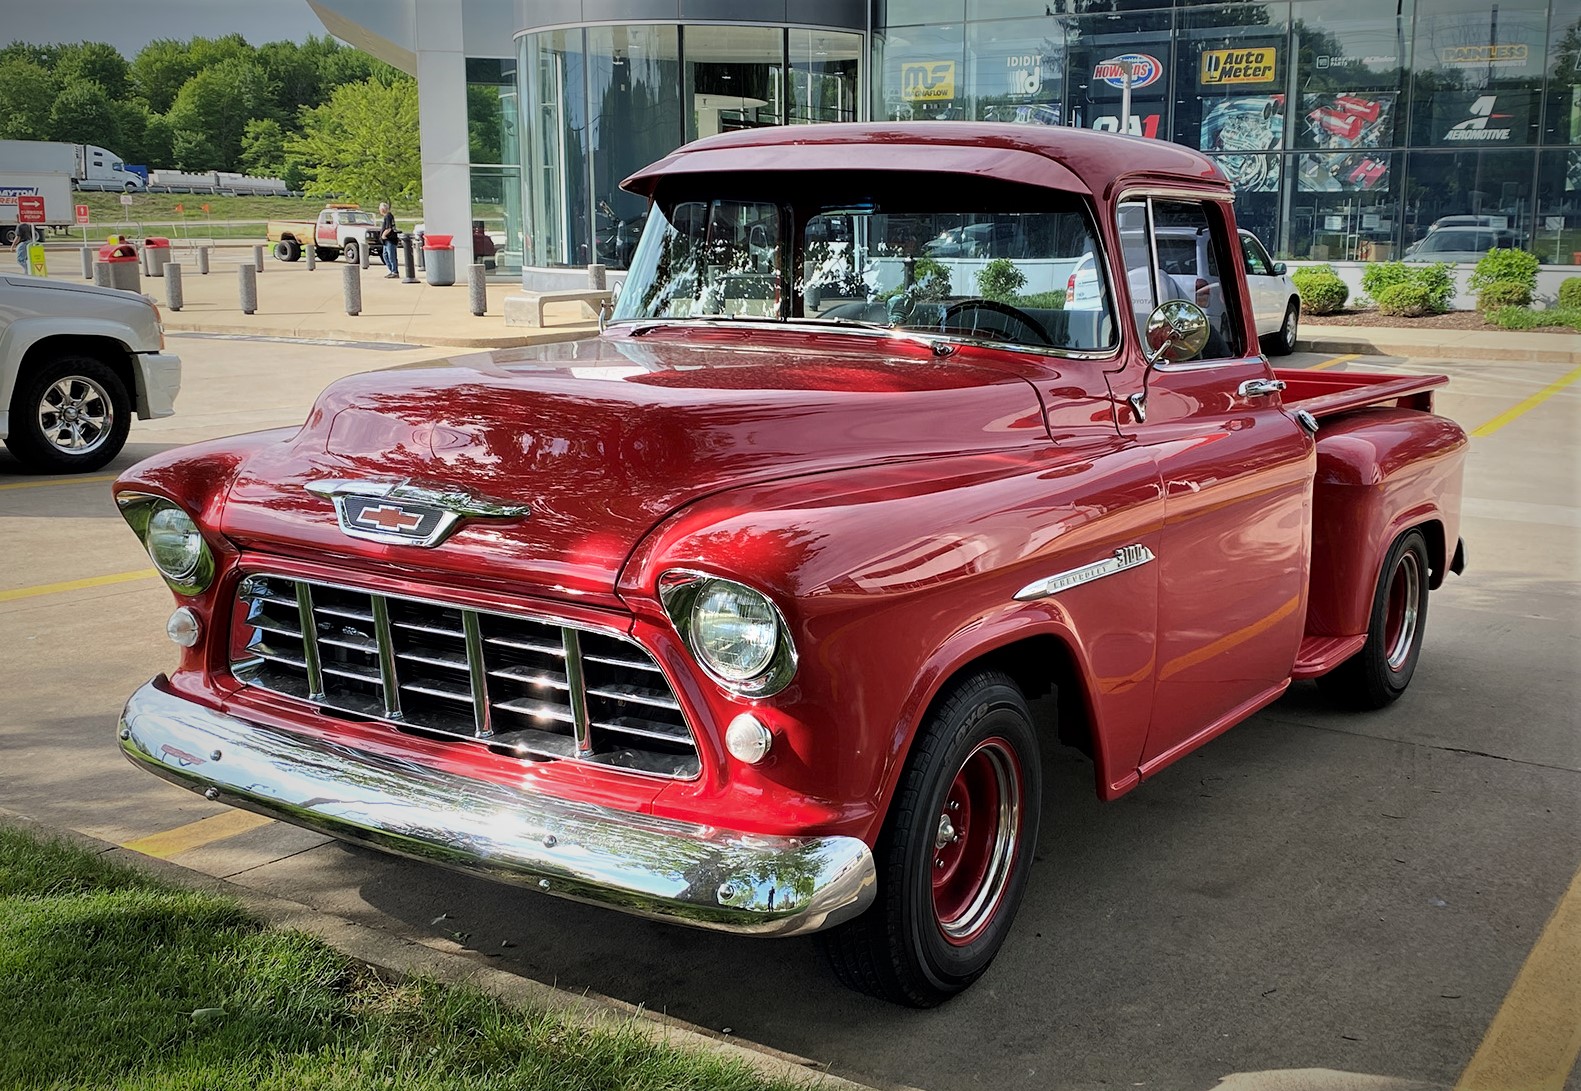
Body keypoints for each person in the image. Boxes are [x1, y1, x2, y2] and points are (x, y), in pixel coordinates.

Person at [379, 202, 399, 277]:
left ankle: (394, 271)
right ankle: (391, 270)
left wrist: (384, 235)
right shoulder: (387, 216)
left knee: (391, 256)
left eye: (380, 209)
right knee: (385, 255)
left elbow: (389, 228)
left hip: (390, 239)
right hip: (386, 241)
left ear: (383, 209)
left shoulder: (388, 216)